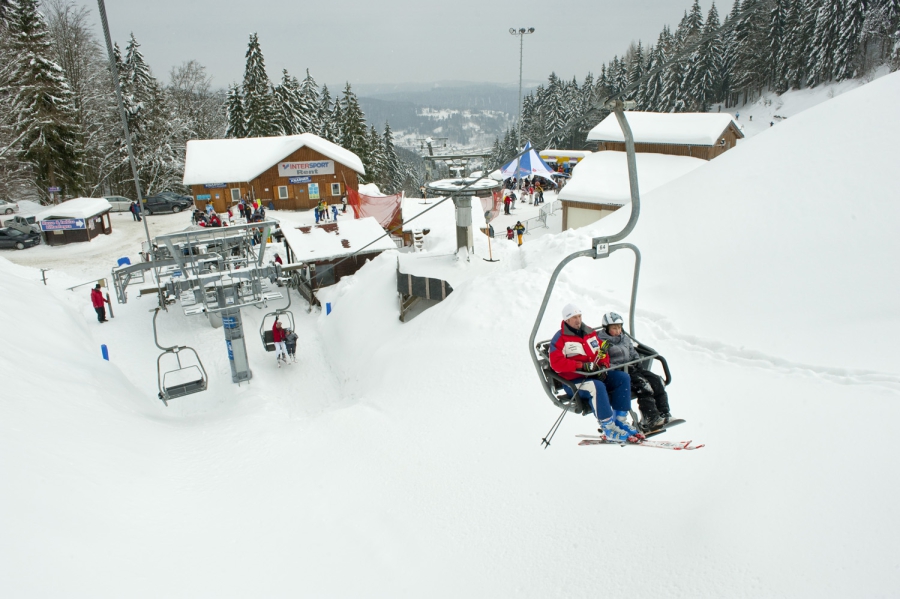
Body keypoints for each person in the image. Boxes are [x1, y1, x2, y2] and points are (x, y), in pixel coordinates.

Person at [549, 304, 639, 443]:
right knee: (596, 386)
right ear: (567, 320)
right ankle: (608, 427)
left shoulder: (589, 332)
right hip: (575, 382)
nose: (578, 320)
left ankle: (620, 420)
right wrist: (581, 366)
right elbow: (556, 363)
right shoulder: (560, 338)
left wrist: (603, 365)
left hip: (595, 375)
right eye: (574, 318)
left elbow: (602, 352)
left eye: (579, 316)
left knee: (622, 378)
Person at [596, 311, 672, 431]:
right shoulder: (602, 342)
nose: (618, 331)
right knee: (643, 386)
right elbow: (603, 361)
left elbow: (633, 352)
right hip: (620, 373)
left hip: (632, 368)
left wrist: (636, 362)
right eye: (614, 328)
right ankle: (650, 418)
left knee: (657, 381)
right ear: (606, 328)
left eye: (619, 327)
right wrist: (620, 367)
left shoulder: (624, 339)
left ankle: (664, 413)